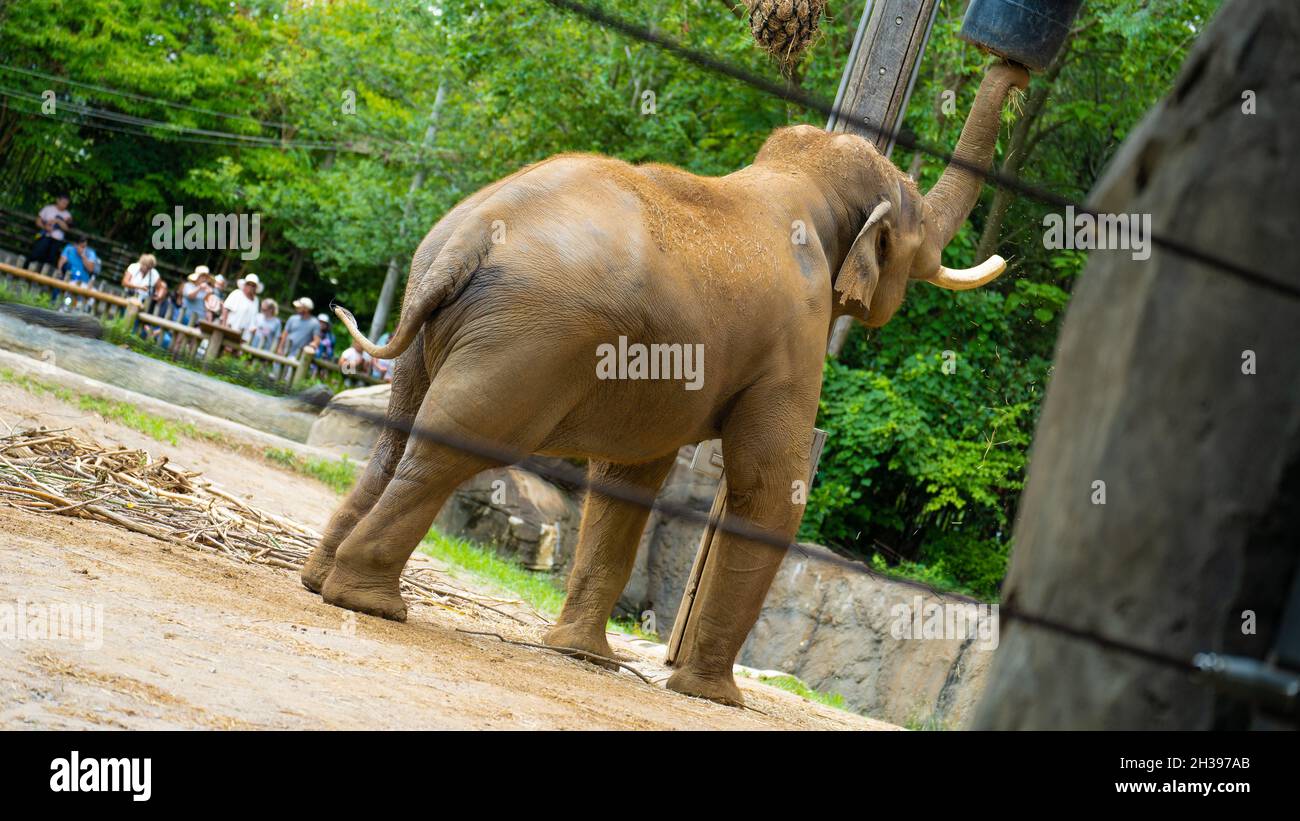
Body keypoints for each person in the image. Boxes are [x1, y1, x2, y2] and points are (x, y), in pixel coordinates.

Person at [54, 235, 99, 311]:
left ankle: (82, 310)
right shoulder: (69, 249)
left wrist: (83, 256)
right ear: (76, 245)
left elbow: (91, 269)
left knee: (93, 295)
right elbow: (61, 261)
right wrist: (60, 270)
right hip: (70, 280)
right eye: (82, 246)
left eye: (85, 247)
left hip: (84, 283)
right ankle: (61, 307)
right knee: (66, 290)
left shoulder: (90, 253)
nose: (83, 249)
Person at [30, 196, 72, 267]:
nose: (64, 205)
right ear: (58, 200)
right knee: (36, 254)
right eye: (63, 203)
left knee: (49, 260)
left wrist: (58, 221)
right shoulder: (48, 209)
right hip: (44, 236)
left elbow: (67, 228)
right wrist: (45, 227)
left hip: (57, 240)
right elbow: (38, 221)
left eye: (66, 204)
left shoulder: (67, 215)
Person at [220, 273, 263, 338]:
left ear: (255, 287)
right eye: (248, 284)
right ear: (245, 284)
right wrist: (223, 326)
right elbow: (226, 308)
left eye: (253, 285)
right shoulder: (237, 293)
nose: (250, 287)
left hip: (243, 335)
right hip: (229, 328)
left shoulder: (256, 300)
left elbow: (254, 319)